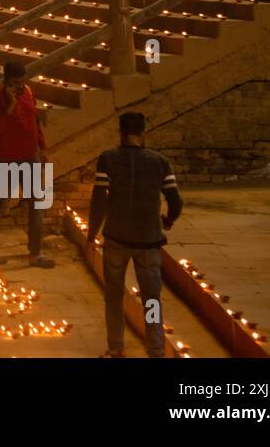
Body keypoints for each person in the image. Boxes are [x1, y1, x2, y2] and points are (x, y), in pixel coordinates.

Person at [86, 111, 182, 358]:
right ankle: (156, 349)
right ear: (143, 133)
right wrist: (168, 220)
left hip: (116, 238)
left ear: (120, 133)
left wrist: (91, 234)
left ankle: (116, 348)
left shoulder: (108, 159)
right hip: (149, 240)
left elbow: (98, 200)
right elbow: (176, 201)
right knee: (151, 299)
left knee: (114, 297)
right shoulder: (159, 162)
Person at [0, 60, 55, 268]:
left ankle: (35, 253)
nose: (19, 86)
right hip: (6, 159)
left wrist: (42, 147)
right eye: (14, 83)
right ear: (6, 81)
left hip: (30, 156)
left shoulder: (28, 91)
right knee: (1, 203)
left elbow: (33, 121)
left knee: (37, 203)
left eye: (21, 82)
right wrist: (10, 105)